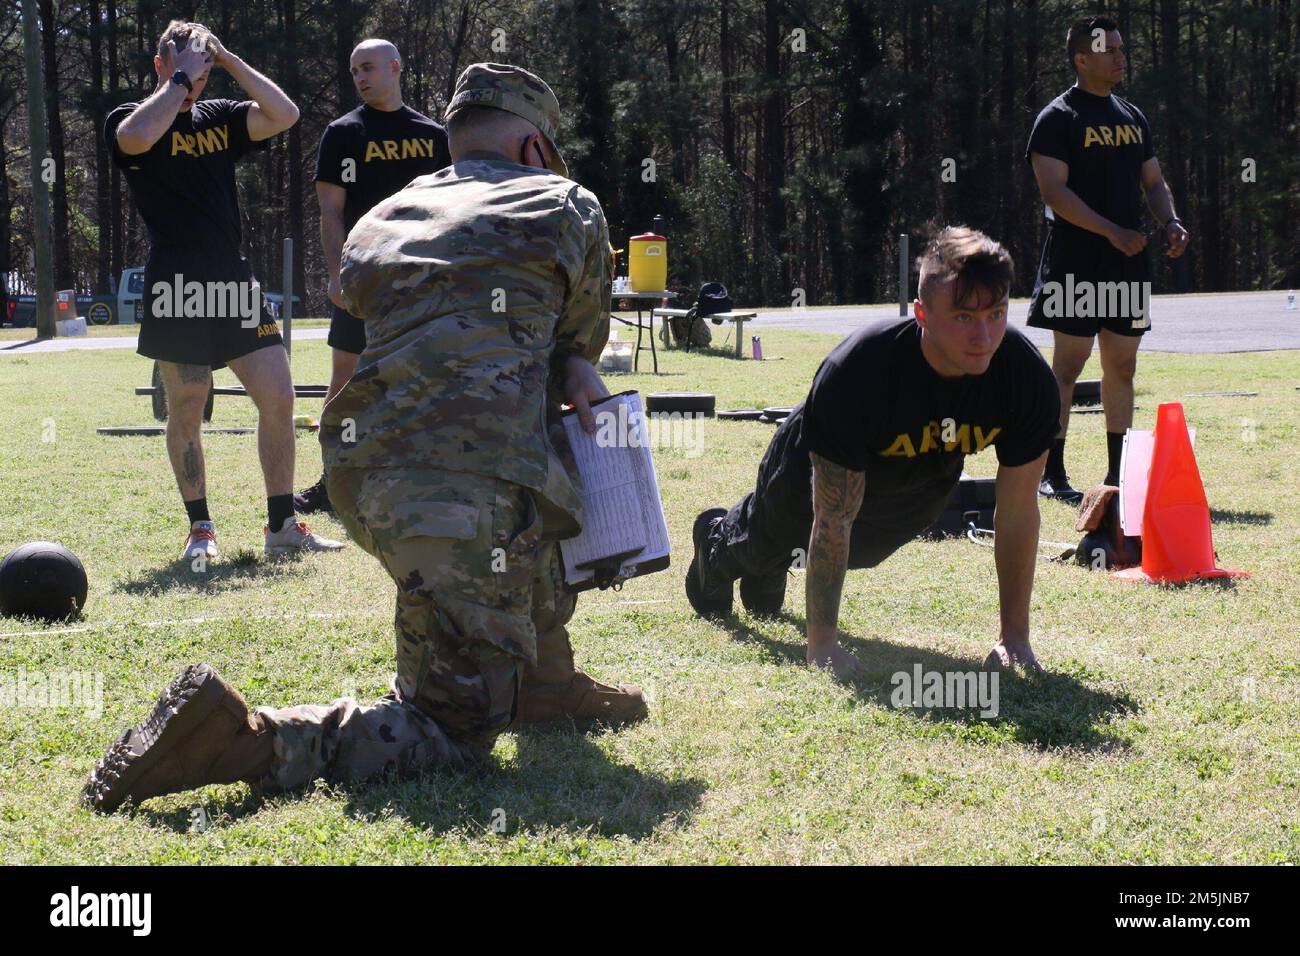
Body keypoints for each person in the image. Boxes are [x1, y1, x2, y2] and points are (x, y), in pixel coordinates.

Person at [85, 63, 646, 814]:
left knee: (489, 544)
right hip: (470, 497)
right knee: (452, 728)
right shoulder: (566, 204)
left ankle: (546, 685)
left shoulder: (388, 216)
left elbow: (375, 312)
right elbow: (574, 359)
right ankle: (250, 737)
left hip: (368, 482)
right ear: (538, 149)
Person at [685, 227, 1060, 678]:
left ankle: (776, 561)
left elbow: (1018, 511)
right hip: (809, 472)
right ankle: (714, 545)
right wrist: (822, 645)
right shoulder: (859, 371)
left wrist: (1014, 640)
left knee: (856, 551)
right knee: (767, 540)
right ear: (922, 313)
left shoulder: (1025, 378)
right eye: (963, 317)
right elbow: (831, 519)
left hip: (909, 494)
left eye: (996, 313)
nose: (983, 335)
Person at [105, 20, 343, 560]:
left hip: (233, 281)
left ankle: (282, 526)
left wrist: (228, 60)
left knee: (279, 396)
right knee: (187, 408)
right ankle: (201, 530)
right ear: (160, 64)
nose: (198, 76)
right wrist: (181, 80)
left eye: (202, 66)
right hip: (177, 286)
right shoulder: (132, 118)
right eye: (184, 61)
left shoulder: (219, 118)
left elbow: (285, 115)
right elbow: (136, 139)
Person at [1026, 15, 1189, 503]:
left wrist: (1170, 222)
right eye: (1110, 50)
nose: (1122, 57)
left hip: (1128, 260)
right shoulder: (1058, 119)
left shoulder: (1132, 116)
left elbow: (1154, 182)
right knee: (1069, 366)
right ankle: (1053, 473)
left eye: (1122, 48)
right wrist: (1111, 231)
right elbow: (1054, 192)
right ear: (1082, 58)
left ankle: (1117, 477)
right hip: (1077, 258)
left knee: (1122, 366)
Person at [294, 39, 451, 515]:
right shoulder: (344, 133)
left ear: (395, 67)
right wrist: (338, 272)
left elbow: (451, 208)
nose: (360, 76)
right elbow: (329, 209)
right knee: (346, 377)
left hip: (421, 278)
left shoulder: (433, 135)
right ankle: (333, 481)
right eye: (353, 70)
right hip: (363, 276)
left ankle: (422, 476)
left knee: (424, 375)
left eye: (368, 68)